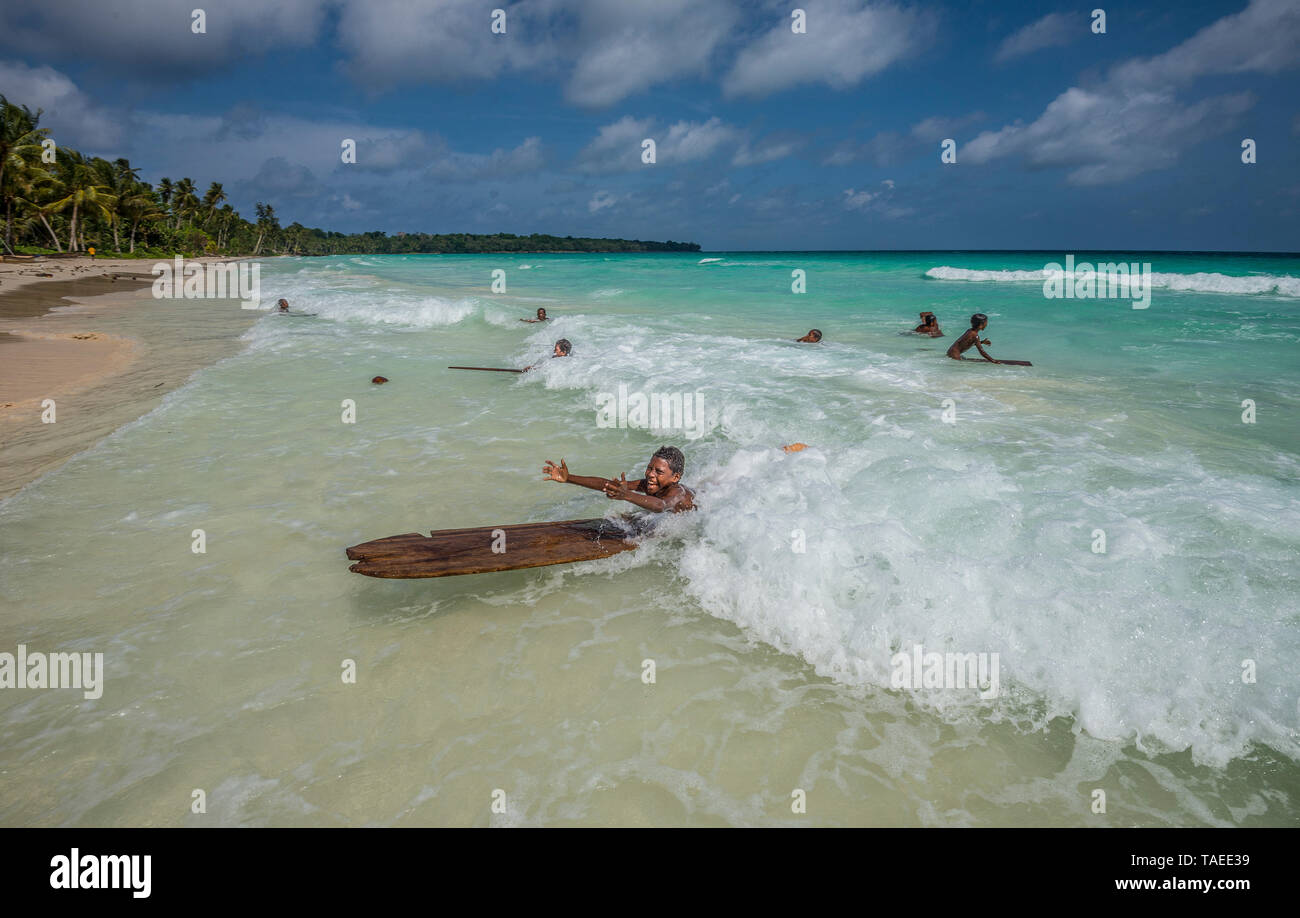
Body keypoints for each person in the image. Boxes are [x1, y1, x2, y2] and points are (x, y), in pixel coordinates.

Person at [542, 445, 695, 513]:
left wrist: (627, 495)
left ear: (675, 477)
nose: (650, 474)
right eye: (649, 468)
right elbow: (609, 485)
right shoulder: (649, 484)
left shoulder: (678, 493)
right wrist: (569, 478)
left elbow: (661, 505)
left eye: (658, 472)